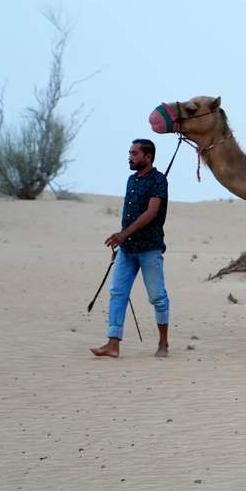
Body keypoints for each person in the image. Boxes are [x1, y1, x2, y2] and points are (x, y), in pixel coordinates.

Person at [91, 139, 171, 358]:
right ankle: (113, 344)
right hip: (127, 250)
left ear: (148, 157)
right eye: (130, 153)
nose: (130, 157)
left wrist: (123, 234)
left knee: (157, 297)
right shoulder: (131, 180)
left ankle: (163, 343)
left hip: (149, 248)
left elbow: (151, 213)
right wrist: (124, 238)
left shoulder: (158, 181)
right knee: (118, 293)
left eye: (135, 154)